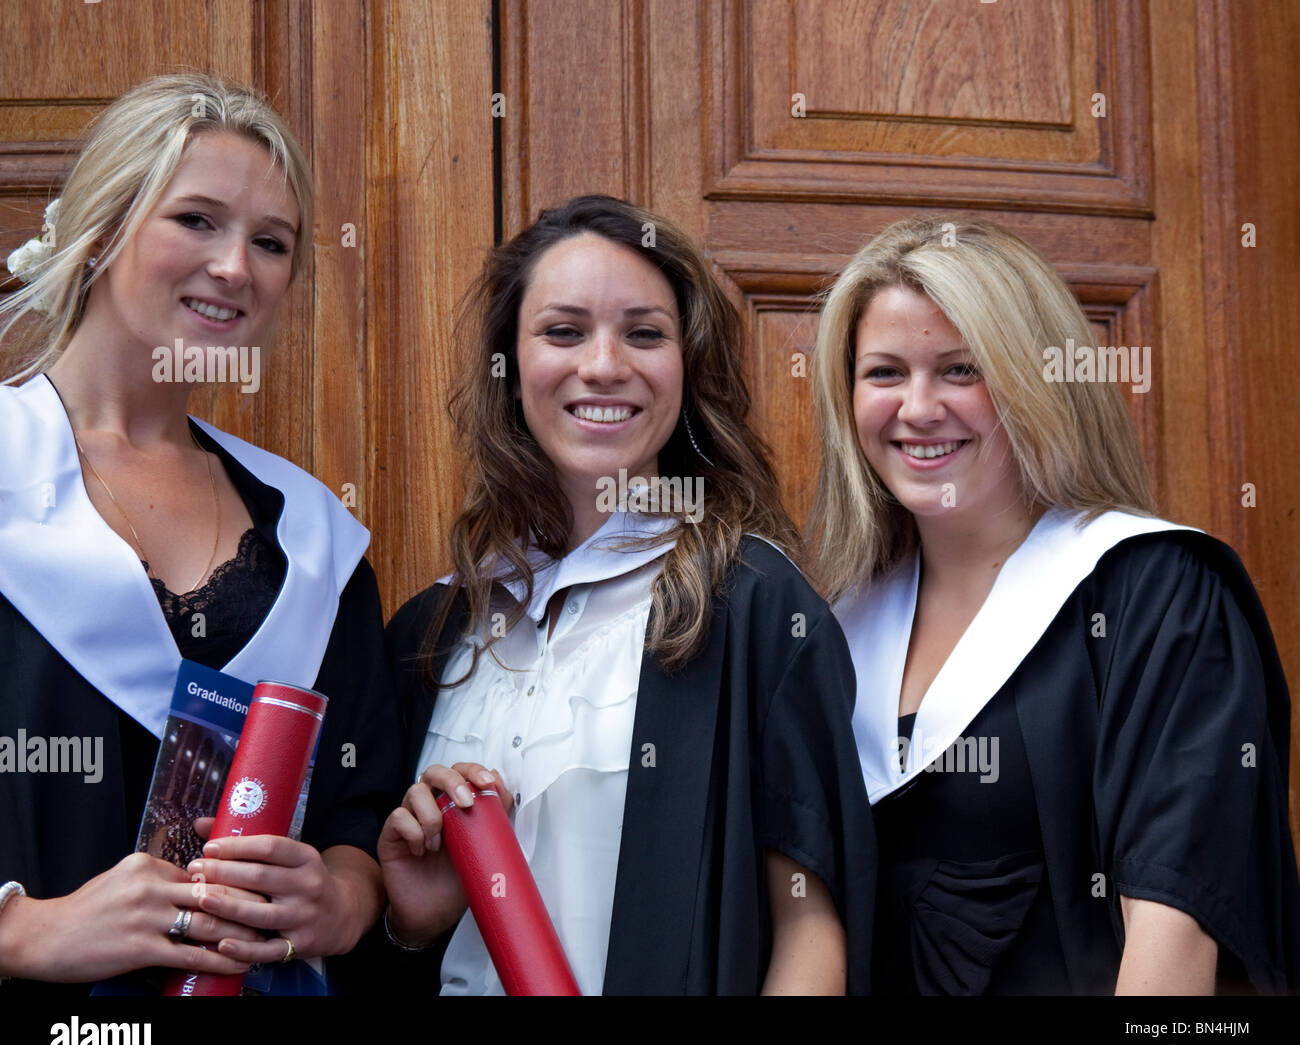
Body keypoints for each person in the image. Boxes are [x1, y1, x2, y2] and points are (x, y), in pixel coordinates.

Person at [379, 194, 875, 995]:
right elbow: (387, 944)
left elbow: (810, 928)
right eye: (563, 331)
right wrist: (409, 923)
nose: (604, 365)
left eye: (644, 333)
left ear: (689, 367)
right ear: (508, 366)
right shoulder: (427, 635)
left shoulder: (752, 608)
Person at [806, 215, 1300, 995]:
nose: (920, 407)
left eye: (962, 369)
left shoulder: (1154, 591)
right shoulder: (830, 630)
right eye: (885, 372)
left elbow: (1179, 921)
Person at [0, 73, 401, 994]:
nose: (235, 267)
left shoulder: (312, 541)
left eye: (271, 244)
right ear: (101, 229)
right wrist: (25, 930)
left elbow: (359, 807)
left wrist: (339, 898)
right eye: (197, 220)